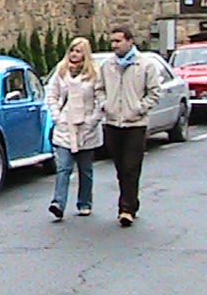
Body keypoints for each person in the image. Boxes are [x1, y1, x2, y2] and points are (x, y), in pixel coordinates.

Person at [96, 25, 161, 227]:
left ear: (130, 41)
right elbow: (99, 89)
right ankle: (131, 201)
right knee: (120, 167)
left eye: (118, 41)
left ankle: (127, 208)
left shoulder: (145, 65)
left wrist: (139, 108)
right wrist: (105, 105)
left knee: (131, 167)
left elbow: (154, 92)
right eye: (112, 41)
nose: (114, 45)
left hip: (135, 124)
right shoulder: (108, 66)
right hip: (113, 123)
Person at [46, 37, 103, 220]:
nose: (74, 54)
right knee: (63, 167)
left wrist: (92, 121)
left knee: (85, 169)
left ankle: (84, 202)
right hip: (65, 126)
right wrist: (58, 117)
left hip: (86, 126)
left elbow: (100, 100)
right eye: (72, 50)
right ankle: (58, 203)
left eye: (78, 51)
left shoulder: (94, 74)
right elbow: (52, 96)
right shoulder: (60, 72)